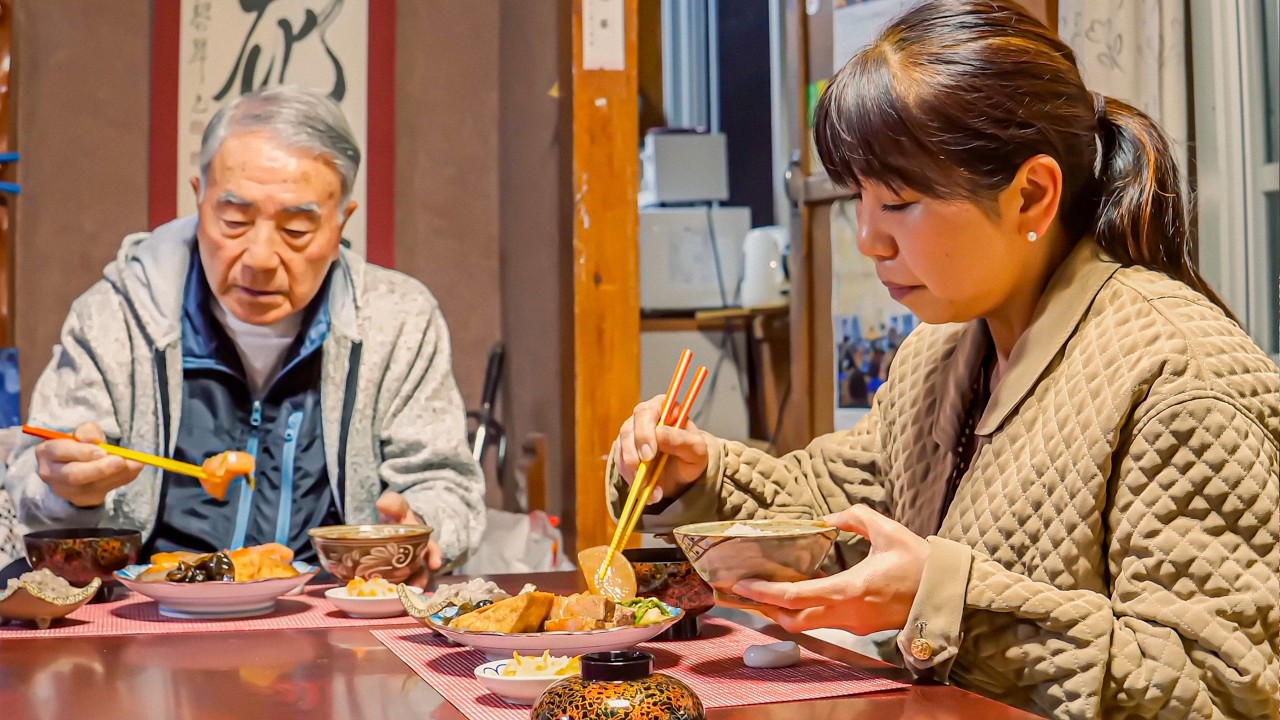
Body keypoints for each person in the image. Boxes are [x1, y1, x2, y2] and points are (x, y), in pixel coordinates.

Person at [606, 2, 1278, 718]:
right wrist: (698, 475)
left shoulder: (1181, 376)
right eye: (857, 197)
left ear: (1031, 195)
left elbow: (1221, 691)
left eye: (899, 201)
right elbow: (839, 513)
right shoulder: (943, 350)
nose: (868, 238)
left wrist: (943, 599)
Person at [5, 86, 486, 574]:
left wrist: (422, 525)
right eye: (234, 220)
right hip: (146, 613)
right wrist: (65, 491)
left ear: (342, 222)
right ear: (199, 197)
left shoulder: (398, 320)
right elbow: (32, 486)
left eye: (296, 230)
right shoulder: (118, 314)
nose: (259, 260)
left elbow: (445, 483)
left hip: (327, 616)